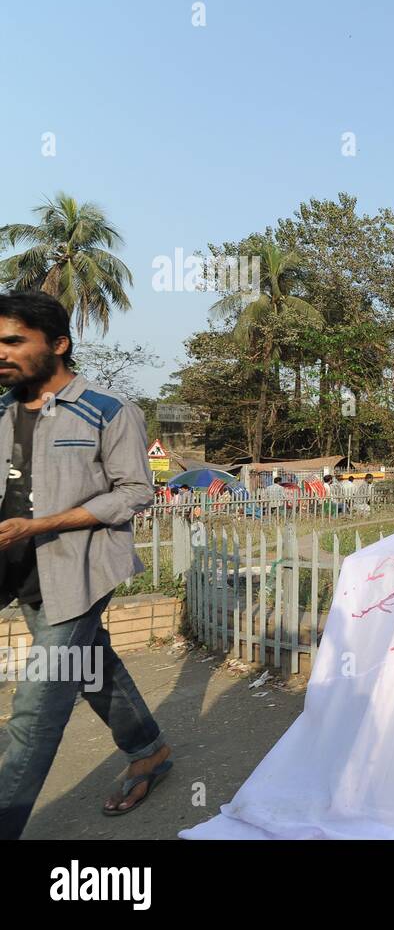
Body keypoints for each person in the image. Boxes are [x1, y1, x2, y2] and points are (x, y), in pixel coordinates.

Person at [0, 292, 170, 838]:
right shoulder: (2, 411)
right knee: (90, 666)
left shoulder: (106, 409)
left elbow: (135, 493)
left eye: (13, 341)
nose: (1, 353)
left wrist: (42, 525)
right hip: (17, 572)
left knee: (35, 709)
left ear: (58, 344)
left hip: (77, 572)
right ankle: (148, 750)